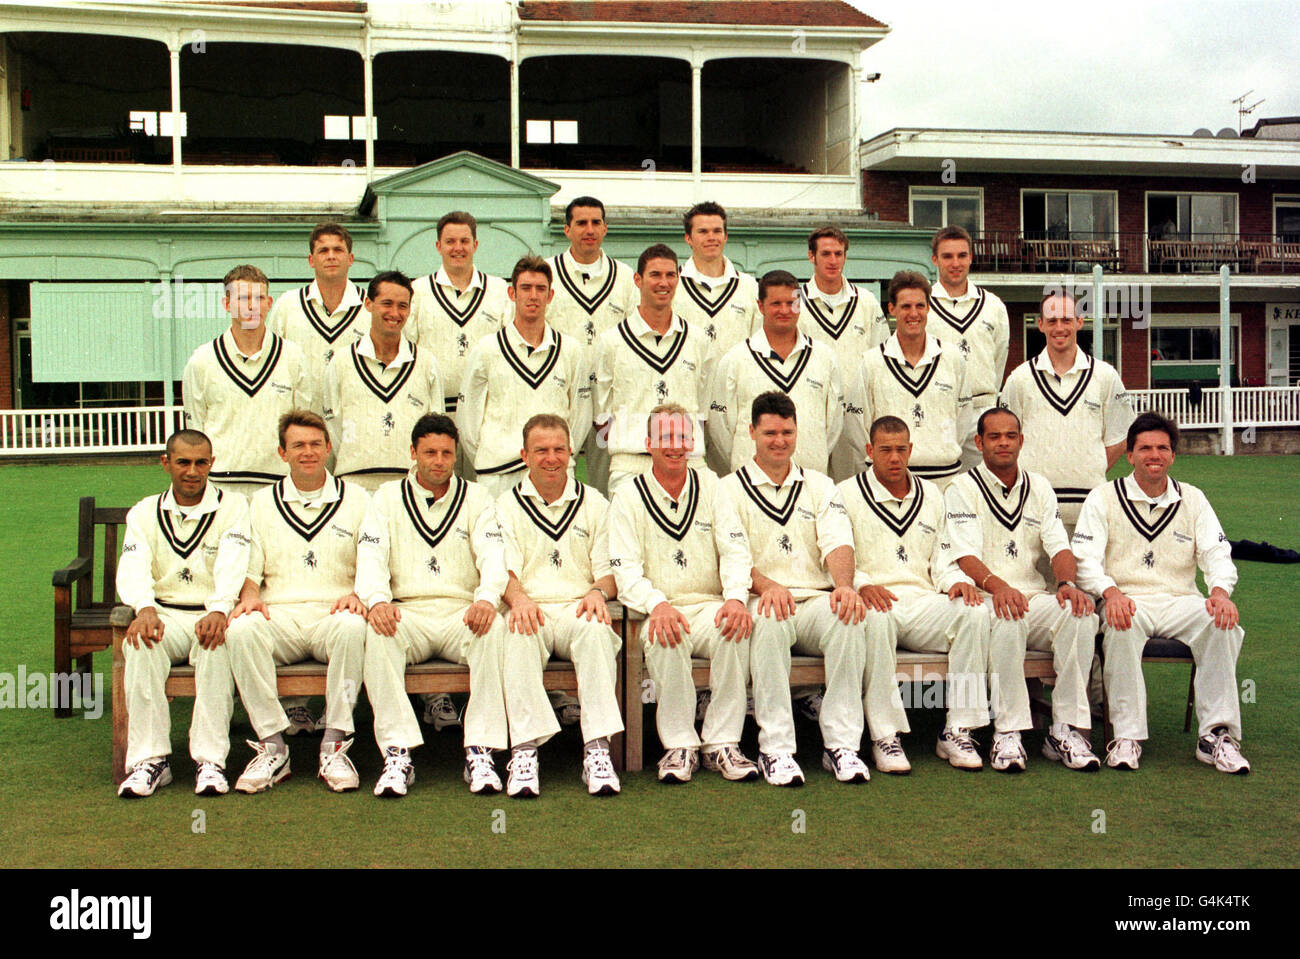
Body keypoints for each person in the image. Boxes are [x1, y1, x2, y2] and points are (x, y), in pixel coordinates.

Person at [1072, 411, 1249, 774]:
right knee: (1121, 624)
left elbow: (1217, 553)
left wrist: (1219, 592)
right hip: (1127, 600)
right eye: (1145, 448)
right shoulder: (1103, 497)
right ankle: (1127, 736)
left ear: (1173, 455)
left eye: (1162, 448)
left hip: (1181, 600)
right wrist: (1112, 593)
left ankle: (1216, 735)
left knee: (1222, 621)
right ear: (1130, 455)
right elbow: (1085, 559)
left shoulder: (1194, 499)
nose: (1154, 455)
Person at [714, 391, 870, 786]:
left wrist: (846, 586)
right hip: (762, 599)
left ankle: (842, 745)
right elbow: (731, 554)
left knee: (849, 617)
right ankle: (777, 749)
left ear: (797, 432)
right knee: (767, 620)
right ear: (751, 432)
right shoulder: (728, 489)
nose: (779, 441)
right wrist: (768, 586)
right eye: (769, 433)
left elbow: (837, 542)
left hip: (814, 600)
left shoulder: (820, 486)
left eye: (787, 432)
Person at [355, 414, 511, 797]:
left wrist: (488, 599)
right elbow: (370, 555)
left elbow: (493, 554)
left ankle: (481, 750)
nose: (438, 461)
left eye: (446, 453)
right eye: (430, 452)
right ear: (413, 452)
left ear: (455, 456)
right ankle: (397, 753)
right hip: (408, 612)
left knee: (496, 628)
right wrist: (377, 601)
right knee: (376, 633)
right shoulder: (387, 498)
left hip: (462, 612)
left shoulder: (478, 497)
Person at [608, 403, 759, 784]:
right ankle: (679, 745)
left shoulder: (713, 486)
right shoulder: (627, 495)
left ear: (692, 442)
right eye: (665, 437)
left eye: (681, 437)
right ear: (648, 443)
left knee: (735, 626)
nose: (674, 446)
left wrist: (736, 598)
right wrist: (656, 604)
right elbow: (625, 569)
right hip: (657, 608)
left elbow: (736, 551)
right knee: (666, 634)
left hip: (709, 606)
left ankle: (723, 742)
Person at [944, 408, 1101, 773]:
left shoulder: (1040, 487)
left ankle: (1065, 729)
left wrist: (1067, 584)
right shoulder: (962, 488)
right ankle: (1008, 731)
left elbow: (1059, 547)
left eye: (1010, 436)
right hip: (985, 597)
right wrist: (1000, 589)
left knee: (1079, 613)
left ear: (1021, 441)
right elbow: (965, 555)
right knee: (1009, 616)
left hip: (1032, 596)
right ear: (979, 442)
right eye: (995, 437)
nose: (1003, 443)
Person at [224, 410, 370, 793]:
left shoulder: (357, 499)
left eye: (315, 444)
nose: (308, 452)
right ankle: (273, 746)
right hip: (281, 617)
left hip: (334, 614)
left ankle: (334, 743)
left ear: (329, 448)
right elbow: (249, 570)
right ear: (282, 452)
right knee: (240, 630)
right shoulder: (258, 503)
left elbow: (372, 559)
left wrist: (359, 593)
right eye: (298, 445)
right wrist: (250, 597)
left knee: (355, 627)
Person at [840, 415, 990, 774]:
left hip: (922, 602)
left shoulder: (932, 495)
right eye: (886, 450)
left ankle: (957, 729)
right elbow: (839, 553)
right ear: (869, 451)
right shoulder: (846, 493)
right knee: (872, 618)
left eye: (901, 450)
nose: (894, 458)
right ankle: (884, 735)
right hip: (876, 601)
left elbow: (942, 555)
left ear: (911, 450)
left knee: (974, 611)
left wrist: (954, 580)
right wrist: (860, 584)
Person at [115, 429, 249, 797]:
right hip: (166, 615)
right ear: (166, 463)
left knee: (216, 646)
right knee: (141, 644)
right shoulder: (144, 512)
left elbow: (234, 564)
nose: (192, 471)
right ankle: (150, 761)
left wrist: (221, 608)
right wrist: (143, 608)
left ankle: (210, 761)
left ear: (212, 464)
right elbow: (133, 567)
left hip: (211, 614)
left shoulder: (233, 507)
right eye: (183, 462)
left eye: (201, 462)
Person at [496, 415, 622, 797]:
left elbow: (613, 573)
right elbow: (499, 570)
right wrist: (517, 598)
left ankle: (597, 750)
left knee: (598, 631)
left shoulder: (595, 503)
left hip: (576, 607)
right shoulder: (504, 504)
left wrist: (598, 593)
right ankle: (524, 752)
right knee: (516, 633)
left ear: (571, 452)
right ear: (524, 455)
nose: (551, 458)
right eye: (541, 450)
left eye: (558, 450)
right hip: (528, 607)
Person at [457, 256, 593, 498]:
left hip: (554, 474)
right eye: (526, 288)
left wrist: (559, 457)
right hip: (498, 475)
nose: (533, 296)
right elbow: (468, 419)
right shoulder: (487, 349)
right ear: (512, 293)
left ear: (550, 295)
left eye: (541, 289)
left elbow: (581, 416)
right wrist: (492, 455)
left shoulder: (570, 350)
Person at [999, 289, 1134, 531]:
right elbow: (1005, 440)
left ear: (1079, 322)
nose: (1059, 327)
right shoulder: (1019, 379)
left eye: (1066, 320)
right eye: (1052, 321)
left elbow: (1121, 435)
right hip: (1033, 509)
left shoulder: (1105, 376)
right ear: (1040, 325)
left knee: (1087, 571)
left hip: (1089, 508)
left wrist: (1091, 465)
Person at [182, 264, 311, 498]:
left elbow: (302, 428)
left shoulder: (293, 357)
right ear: (227, 304)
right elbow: (196, 431)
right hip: (222, 486)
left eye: (259, 298)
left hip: (279, 486)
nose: (252, 306)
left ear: (269, 303)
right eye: (243, 298)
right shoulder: (202, 360)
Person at [593, 243, 711, 494]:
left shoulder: (698, 339)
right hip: (631, 464)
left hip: (689, 462)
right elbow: (601, 413)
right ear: (638, 279)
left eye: (670, 275)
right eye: (655, 275)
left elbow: (703, 406)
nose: (663, 282)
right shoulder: (611, 341)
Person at [709, 269, 845, 479]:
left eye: (791, 303)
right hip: (751, 482)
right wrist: (746, 460)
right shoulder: (736, 359)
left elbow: (833, 423)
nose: (785, 310)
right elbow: (721, 428)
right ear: (760, 306)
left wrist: (810, 455)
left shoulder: (825, 358)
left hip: (810, 481)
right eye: (776, 304)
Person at [845, 270, 973, 491]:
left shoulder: (952, 358)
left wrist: (941, 450)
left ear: (928, 308)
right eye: (905, 306)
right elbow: (857, 426)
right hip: (888, 482)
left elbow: (963, 420)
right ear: (892, 309)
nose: (913, 313)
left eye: (920, 306)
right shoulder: (872, 362)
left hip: (944, 480)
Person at [322, 271, 443, 492]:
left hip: (411, 484)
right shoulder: (342, 361)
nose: (395, 313)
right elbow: (333, 428)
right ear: (368, 304)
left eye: (402, 306)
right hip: (354, 484)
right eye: (387, 303)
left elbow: (436, 428)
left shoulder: (426, 363)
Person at [800, 225, 890, 481]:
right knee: (811, 488)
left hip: (855, 415)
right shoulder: (795, 300)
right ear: (811, 256)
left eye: (839, 254)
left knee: (853, 490)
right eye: (826, 254)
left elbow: (881, 361)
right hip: (810, 412)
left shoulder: (866, 301)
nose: (833, 260)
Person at [405, 211, 511, 422]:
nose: (458, 248)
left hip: (486, 411)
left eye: (464, 241)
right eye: (450, 241)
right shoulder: (418, 290)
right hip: (434, 411)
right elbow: (408, 349)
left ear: (475, 245)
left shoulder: (498, 289)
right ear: (438, 246)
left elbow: (509, 350)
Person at [927, 225, 1010, 470]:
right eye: (947, 256)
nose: (955, 263)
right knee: (940, 486)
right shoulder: (922, 305)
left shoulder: (993, 306)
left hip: (982, 410)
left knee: (984, 488)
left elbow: (999, 359)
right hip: (939, 411)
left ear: (971, 258)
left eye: (962, 255)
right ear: (934, 260)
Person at [265, 222, 368, 401]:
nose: (331, 256)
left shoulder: (370, 307)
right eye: (323, 250)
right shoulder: (288, 305)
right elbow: (270, 365)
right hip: (301, 420)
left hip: (353, 418)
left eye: (338, 250)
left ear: (350, 259)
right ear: (311, 260)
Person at [545, 196, 638, 350]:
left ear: (605, 229)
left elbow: (634, 334)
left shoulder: (624, 276)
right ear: (567, 230)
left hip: (610, 373)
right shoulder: (547, 273)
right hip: (560, 372)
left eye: (596, 223)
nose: (590, 230)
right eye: (581, 223)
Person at [673, 201, 760, 363]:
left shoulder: (749, 287)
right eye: (703, 232)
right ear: (688, 238)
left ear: (725, 236)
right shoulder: (672, 285)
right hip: (686, 386)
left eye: (717, 231)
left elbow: (759, 344)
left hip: (734, 386)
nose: (711, 237)